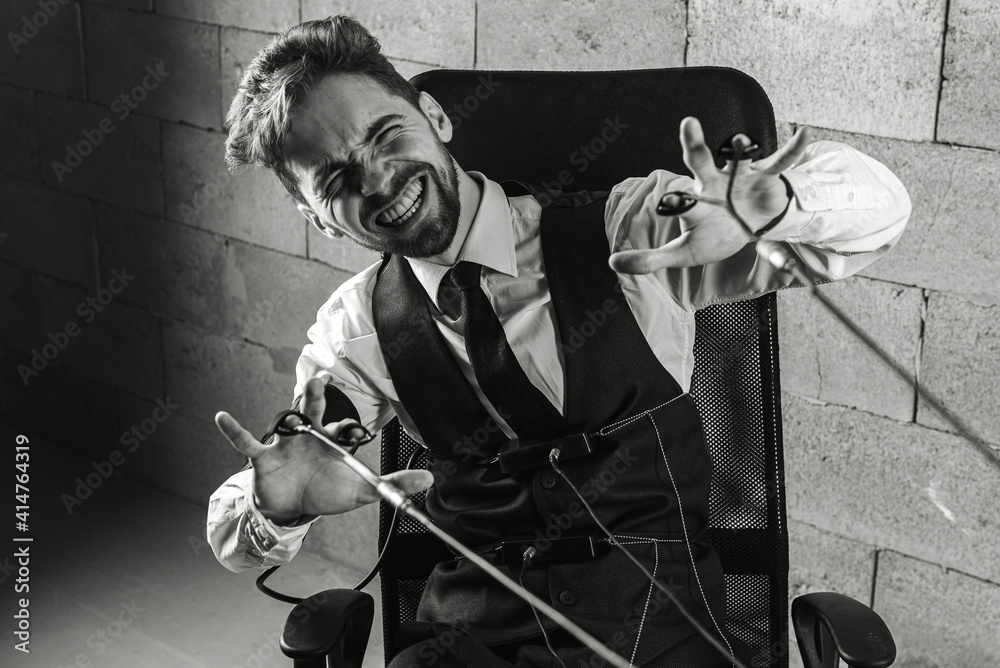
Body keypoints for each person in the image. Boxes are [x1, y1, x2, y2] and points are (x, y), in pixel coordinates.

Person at [207, 15, 910, 668]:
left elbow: (881, 215)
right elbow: (239, 532)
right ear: (318, 218)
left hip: (662, 636)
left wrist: (780, 204)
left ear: (437, 118)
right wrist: (276, 506)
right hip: (470, 643)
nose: (379, 178)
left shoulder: (631, 230)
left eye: (387, 137)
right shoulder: (353, 329)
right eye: (336, 179)